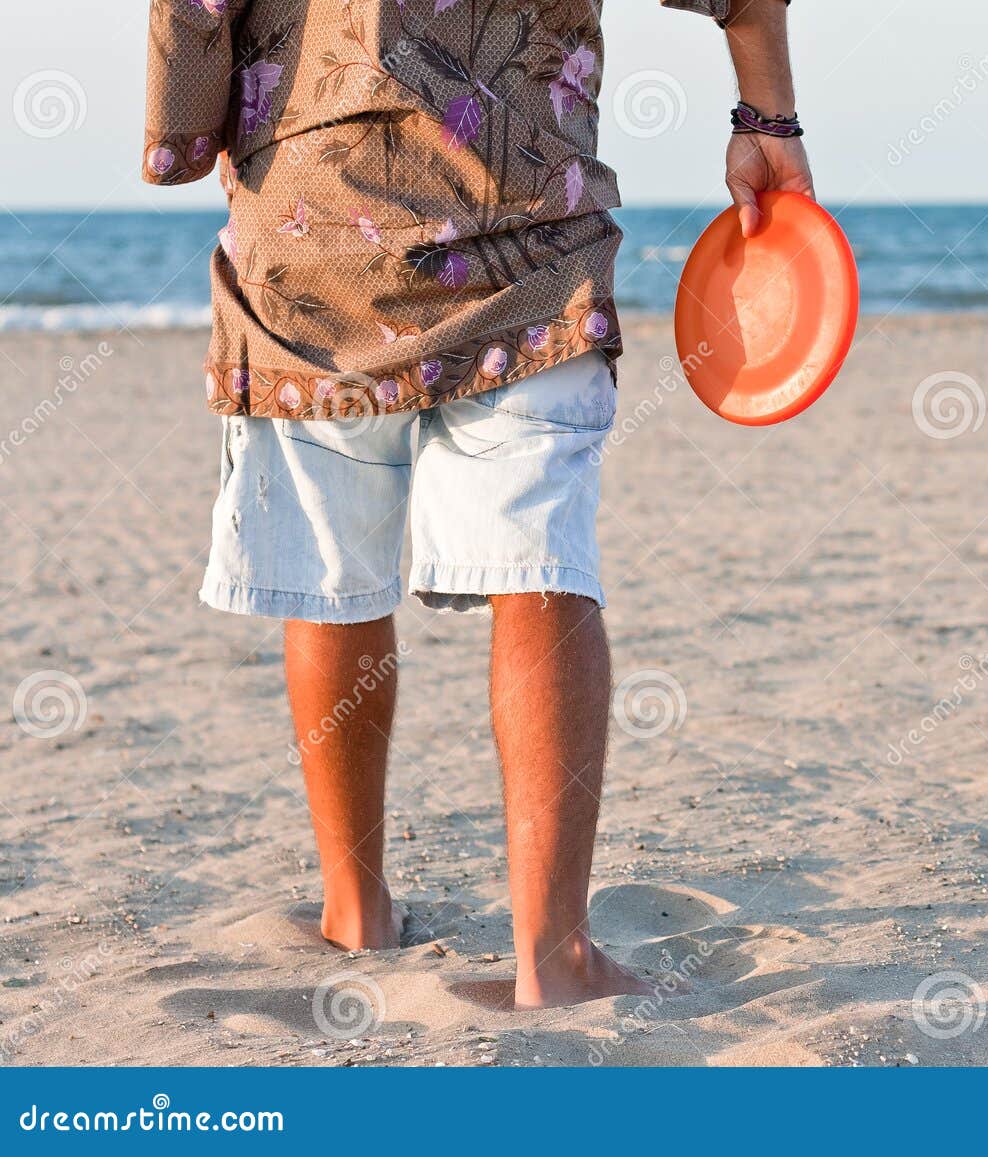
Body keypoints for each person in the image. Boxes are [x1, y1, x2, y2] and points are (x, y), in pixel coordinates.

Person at [143, 0, 812, 1009]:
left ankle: (356, 907)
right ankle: (555, 953)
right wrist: (766, 117)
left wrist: (181, 134)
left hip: (310, 222)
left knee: (331, 571)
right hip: (521, 212)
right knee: (538, 559)